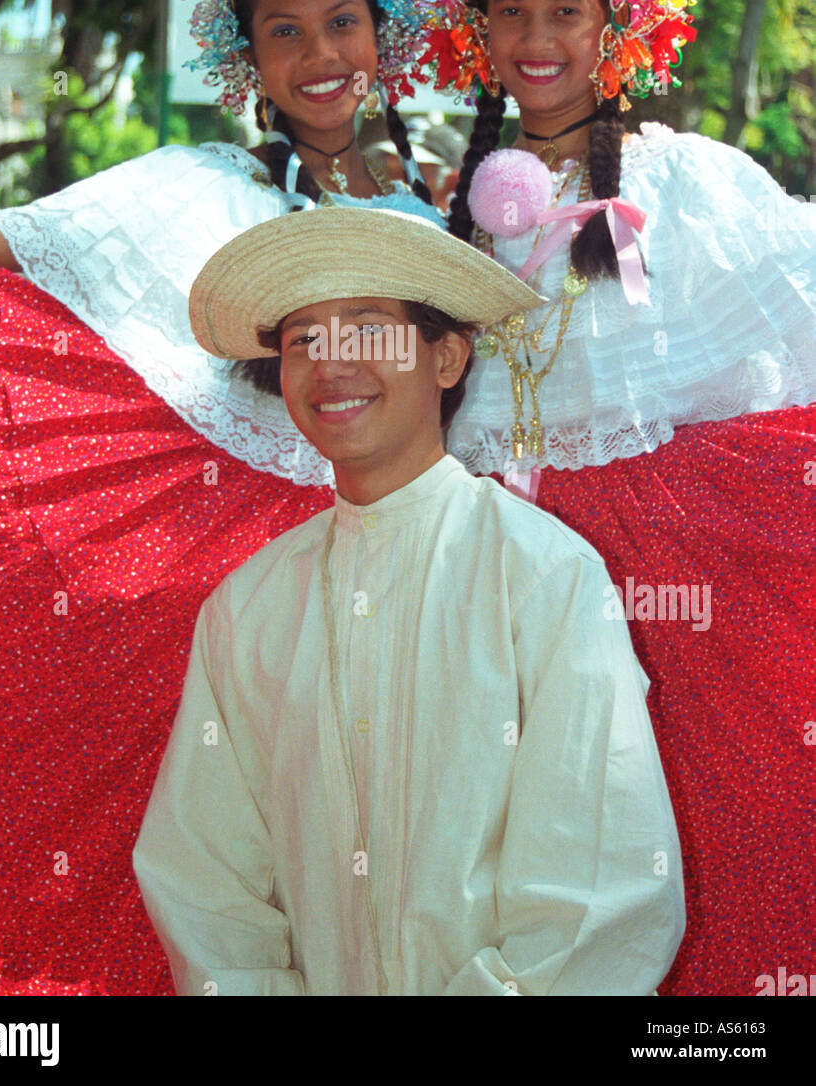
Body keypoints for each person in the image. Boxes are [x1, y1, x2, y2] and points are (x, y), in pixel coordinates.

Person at [0, 0, 444, 994]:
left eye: (341, 22)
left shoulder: (450, 208)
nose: (319, 53)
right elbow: (8, 240)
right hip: (206, 596)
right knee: (196, 863)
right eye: (283, 32)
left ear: (384, 35)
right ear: (247, 61)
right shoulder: (199, 182)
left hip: (393, 588)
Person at [132, 203, 685, 996]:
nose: (331, 367)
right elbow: (205, 884)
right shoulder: (244, 610)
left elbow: (603, 892)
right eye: (303, 342)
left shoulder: (545, 578)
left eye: (367, 331)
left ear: (449, 357)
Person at [426, 0, 816, 996]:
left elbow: (799, 294)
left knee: (694, 834)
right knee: (517, 855)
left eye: (565, 10)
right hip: (493, 585)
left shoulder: (681, 181)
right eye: (509, 11)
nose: (536, 36)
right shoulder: (447, 209)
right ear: (479, 32)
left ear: (614, 27)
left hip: (669, 586)